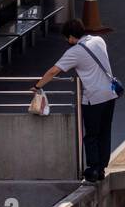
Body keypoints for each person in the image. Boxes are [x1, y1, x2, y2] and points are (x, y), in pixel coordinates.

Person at [35, 18, 119, 183]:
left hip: (93, 99)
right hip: (110, 94)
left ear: (72, 36)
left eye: (67, 38)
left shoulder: (74, 52)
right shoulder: (99, 40)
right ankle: (101, 167)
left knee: (91, 135)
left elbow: (53, 71)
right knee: (104, 132)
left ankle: (93, 168)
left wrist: (37, 86)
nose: (67, 41)